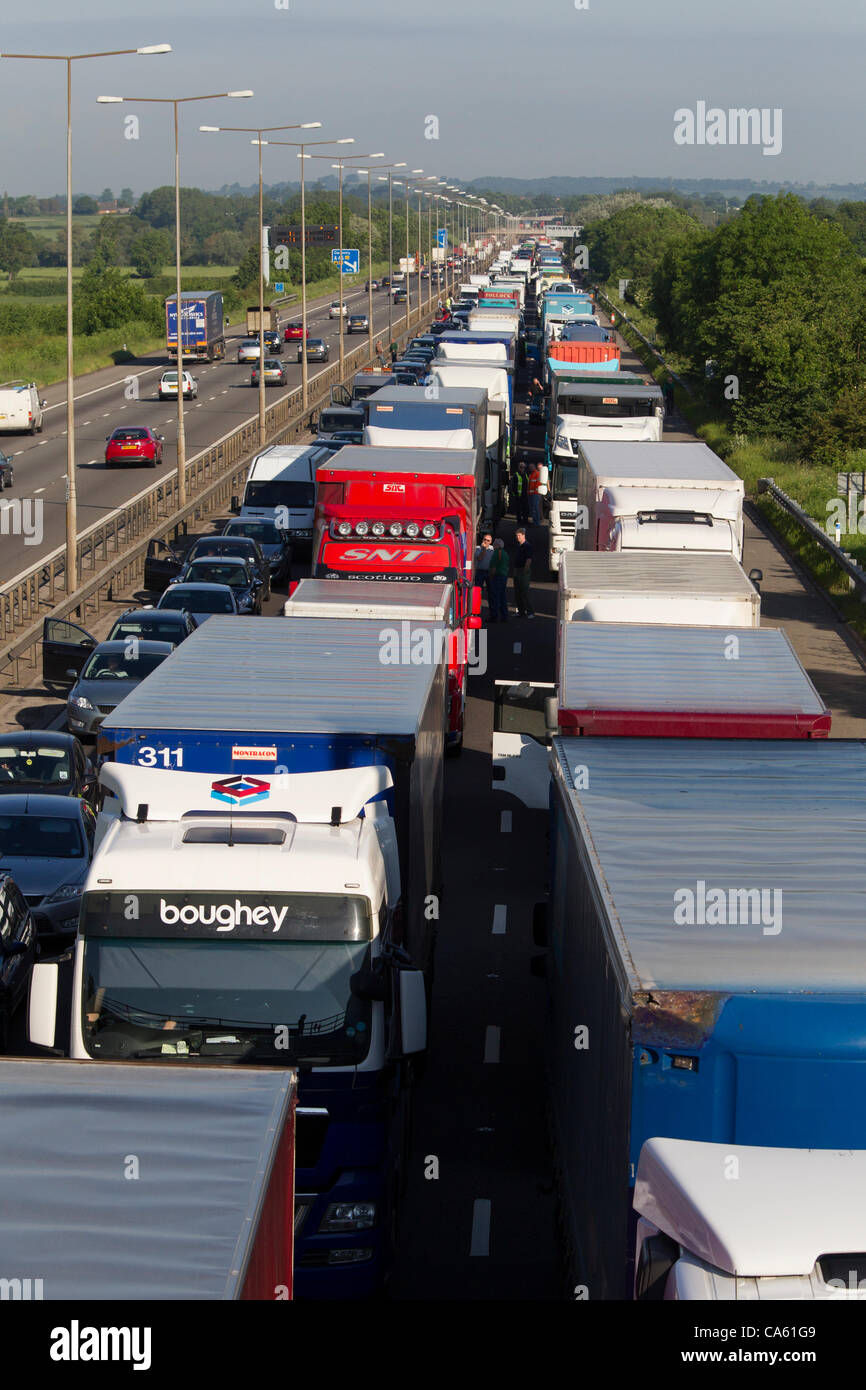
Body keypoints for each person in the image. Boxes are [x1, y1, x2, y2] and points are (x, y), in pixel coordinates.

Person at [511, 527, 534, 618]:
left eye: (519, 536)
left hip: (523, 570)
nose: (518, 538)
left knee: (525, 591)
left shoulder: (527, 546)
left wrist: (525, 570)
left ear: (523, 535)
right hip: (517, 570)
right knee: (517, 592)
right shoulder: (519, 546)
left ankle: (530, 612)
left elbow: (528, 559)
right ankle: (521, 611)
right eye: (517, 536)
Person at [487, 539, 509, 623]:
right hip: (504, 576)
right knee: (502, 596)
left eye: (494, 544)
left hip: (497, 577)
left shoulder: (496, 553)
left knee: (495, 597)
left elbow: (493, 567)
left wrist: (491, 576)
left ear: (497, 545)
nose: (493, 546)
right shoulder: (505, 553)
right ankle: (504, 615)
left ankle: (494, 616)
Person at [474, 532, 495, 617]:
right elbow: (479, 558)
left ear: (491, 542)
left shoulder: (492, 549)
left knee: (491, 592)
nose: (486, 541)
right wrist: (483, 549)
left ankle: (492, 612)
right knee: (478, 592)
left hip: (489, 572)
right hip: (479, 572)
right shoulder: (477, 548)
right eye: (485, 539)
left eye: (488, 540)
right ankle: (476, 612)